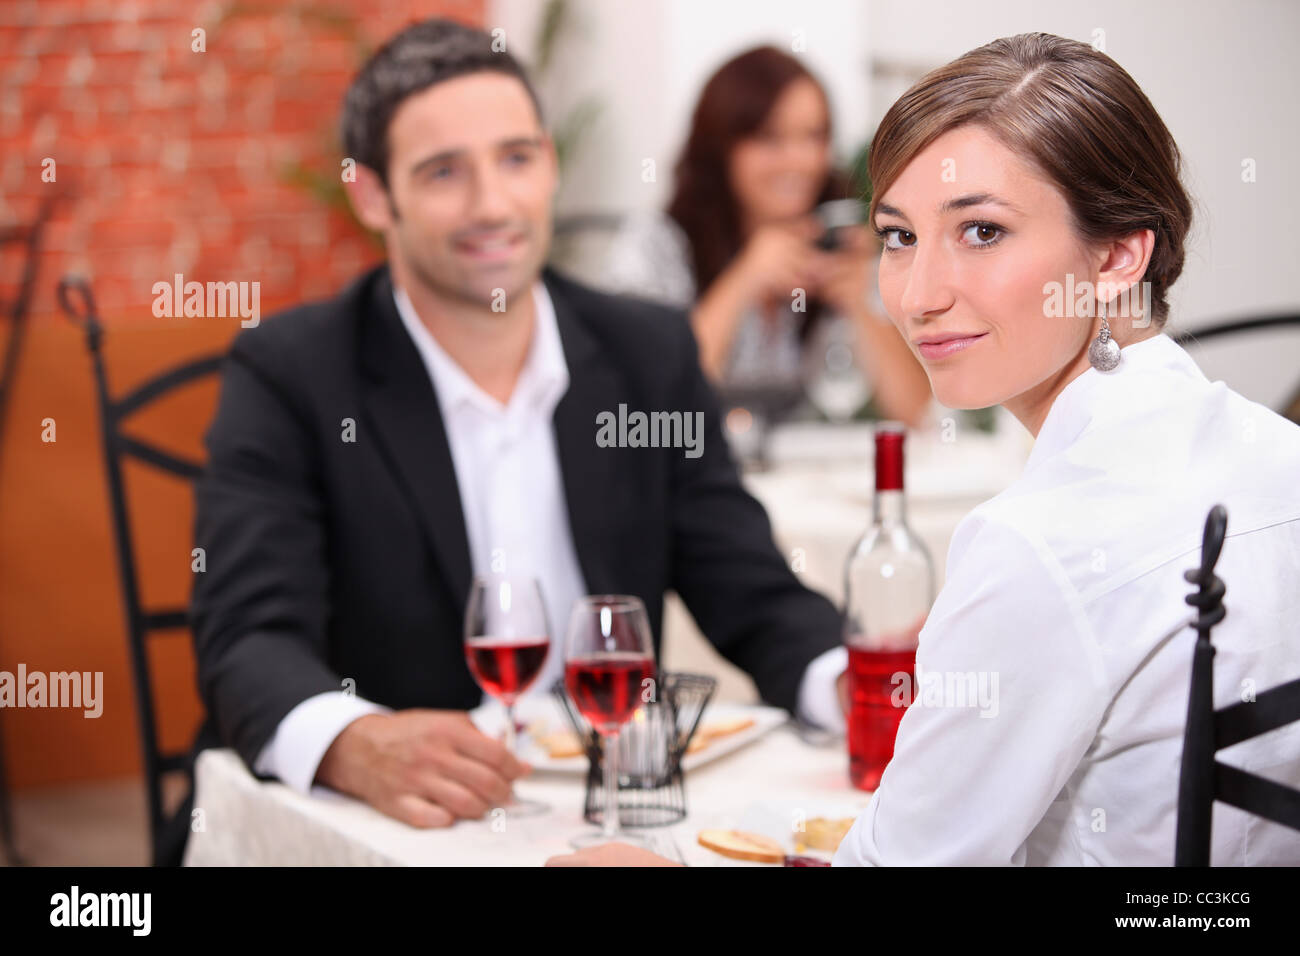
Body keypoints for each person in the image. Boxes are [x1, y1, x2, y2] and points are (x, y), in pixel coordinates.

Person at [547, 32, 1300, 867]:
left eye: (981, 231)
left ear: (1120, 255)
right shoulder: (1279, 455)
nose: (918, 295)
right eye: (899, 237)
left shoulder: (1038, 542)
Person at [152, 18, 854, 867]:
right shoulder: (293, 373)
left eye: (517, 158)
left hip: (603, 820)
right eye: (444, 171)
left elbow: (751, 590)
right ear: (375, 198)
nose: (493, 204)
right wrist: (351, 740)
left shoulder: (647, 352)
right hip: (395, 828)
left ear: (551, 166)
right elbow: (248, 637)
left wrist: (851, 682)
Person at [601, 46, 932, 427]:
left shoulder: (835, 241)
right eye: (771, 138)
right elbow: (648, 399)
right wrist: (745, 278)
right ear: (722, 147)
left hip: (799, 479)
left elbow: (915, 414)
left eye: (814, 136)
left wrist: (858, 302)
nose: (801, 160)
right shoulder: (658, 244)